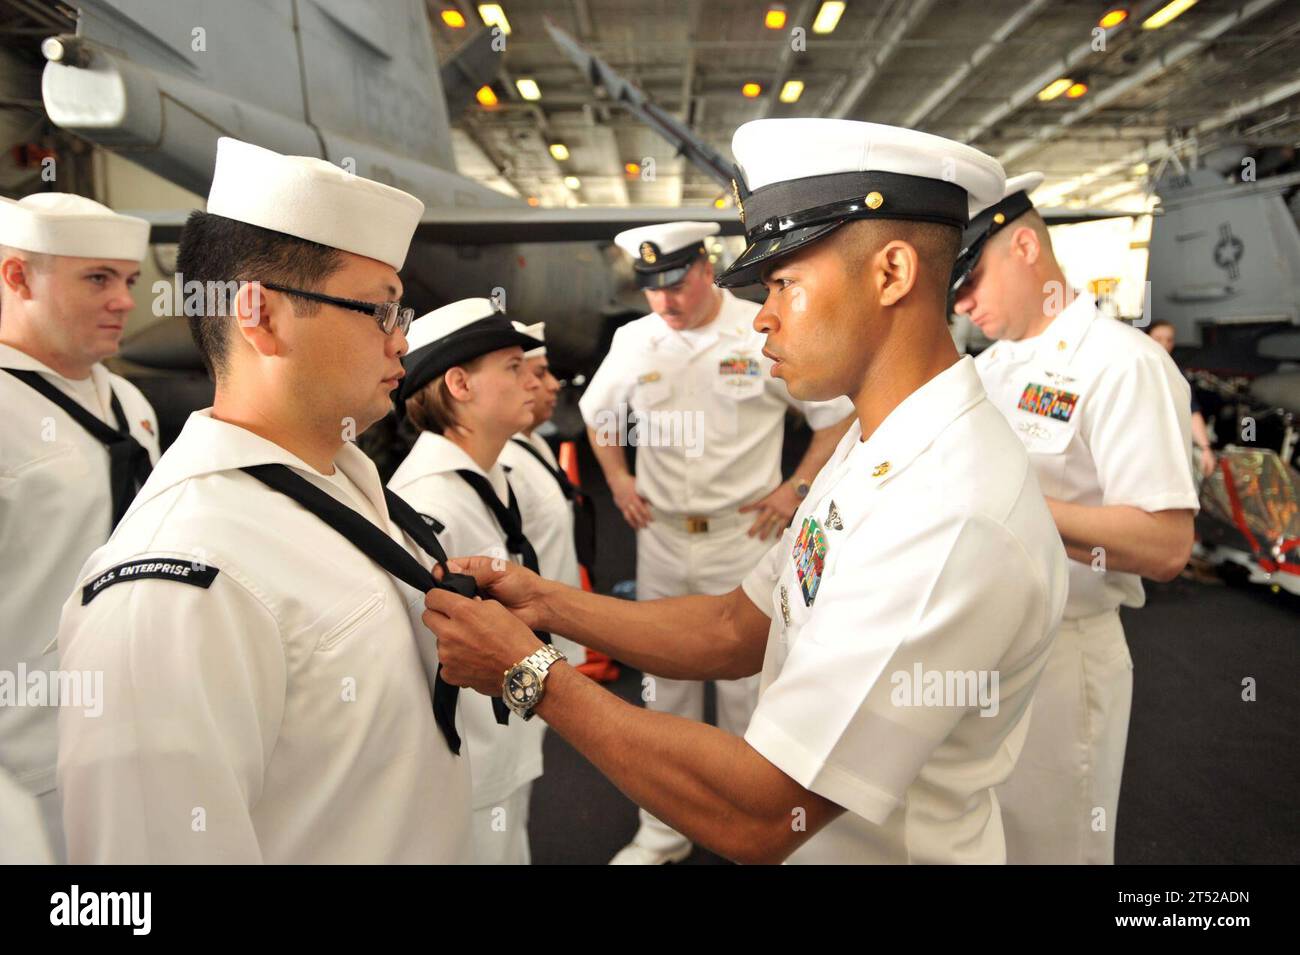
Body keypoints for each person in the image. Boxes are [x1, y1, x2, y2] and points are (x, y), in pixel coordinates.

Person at [426, 118, 1068, 865]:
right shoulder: (878, 444)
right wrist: (545, 603)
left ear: (892, 274)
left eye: (786, 284)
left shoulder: (948, 509)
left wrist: (529, 671)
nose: (763, 315)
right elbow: (735, 626)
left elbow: (764, 810)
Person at [54, 137, 472, 863]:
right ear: (262, 315)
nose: (401, 344)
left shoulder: (341, 482)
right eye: (379, 311)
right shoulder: (176, 583)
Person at [580, 219, 854, 864]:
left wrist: (797, 488)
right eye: (652, 289)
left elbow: (834, 416)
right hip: (664, 538)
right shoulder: (635, 339)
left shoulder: (759, 326)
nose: (665, 302)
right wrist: (617, 478)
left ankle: (745, 827)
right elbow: (600, 417)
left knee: (747, 690)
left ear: (705, 268)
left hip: (744, 536)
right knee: (661, 686)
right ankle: (663, 829)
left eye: (675, 285)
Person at [953, 172, 1199, 864]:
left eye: (971, 278)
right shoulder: (989, 369)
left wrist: (1011, 508)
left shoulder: (1123, 366)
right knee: (990, 841)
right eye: (954, 292)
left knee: (1057, 845)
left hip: (1066, 650)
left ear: (1025, 246)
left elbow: (1167, 543)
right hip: (982, 648)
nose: (964, 304)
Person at [0, 193, 158, 862]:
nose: (123, 300)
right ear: (16, 276)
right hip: (24, 764)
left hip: (136, 741)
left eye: (129, 280)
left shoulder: (129, 402)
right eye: (97, 278)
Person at [388, 297, 546, 865]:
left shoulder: (489, 478)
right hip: (469, 752)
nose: (531, 378)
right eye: (511, 366)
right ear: (459, 384)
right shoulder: (429, 500)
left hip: (504, 737)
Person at [498, 321, 589, 665]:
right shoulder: (504, 461)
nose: (551, 386)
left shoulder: (534, 443)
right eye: (539, 373)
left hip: (556, 640)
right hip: (531, 657)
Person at [1148, 320, 1216, 479]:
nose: (1164, 344)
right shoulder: (1132, 368)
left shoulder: (1176, 373)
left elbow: (1191, 410)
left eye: (1169, 339)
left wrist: (1205, 448)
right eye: (1158, 338)